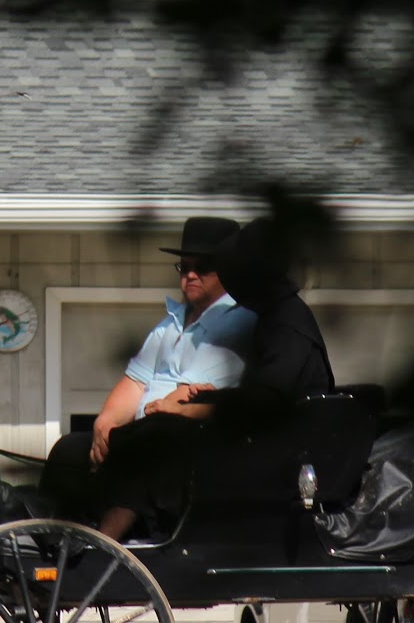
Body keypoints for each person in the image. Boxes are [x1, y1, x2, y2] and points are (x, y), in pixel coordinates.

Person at [96, 216, 335, 538]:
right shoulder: (274, 318)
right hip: (268, 445)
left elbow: (264, 404)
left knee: (154, 435)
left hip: (284, 455)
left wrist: (184, 409)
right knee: (147, 434)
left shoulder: (286, 326)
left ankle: (108, 540)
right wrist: (211, 397)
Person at [41, 216, 256, 535]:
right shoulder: (170, 323)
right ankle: (56, 534)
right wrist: (106, 423)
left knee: (141, 448)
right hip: (148, 433)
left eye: (203, 267)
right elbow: (134, 383)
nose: (191, 275)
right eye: (185, 268)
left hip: (188, 442)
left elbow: (184, 396)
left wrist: (123, 437)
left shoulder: (237, 321)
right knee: (70, 449)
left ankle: (103, 543)